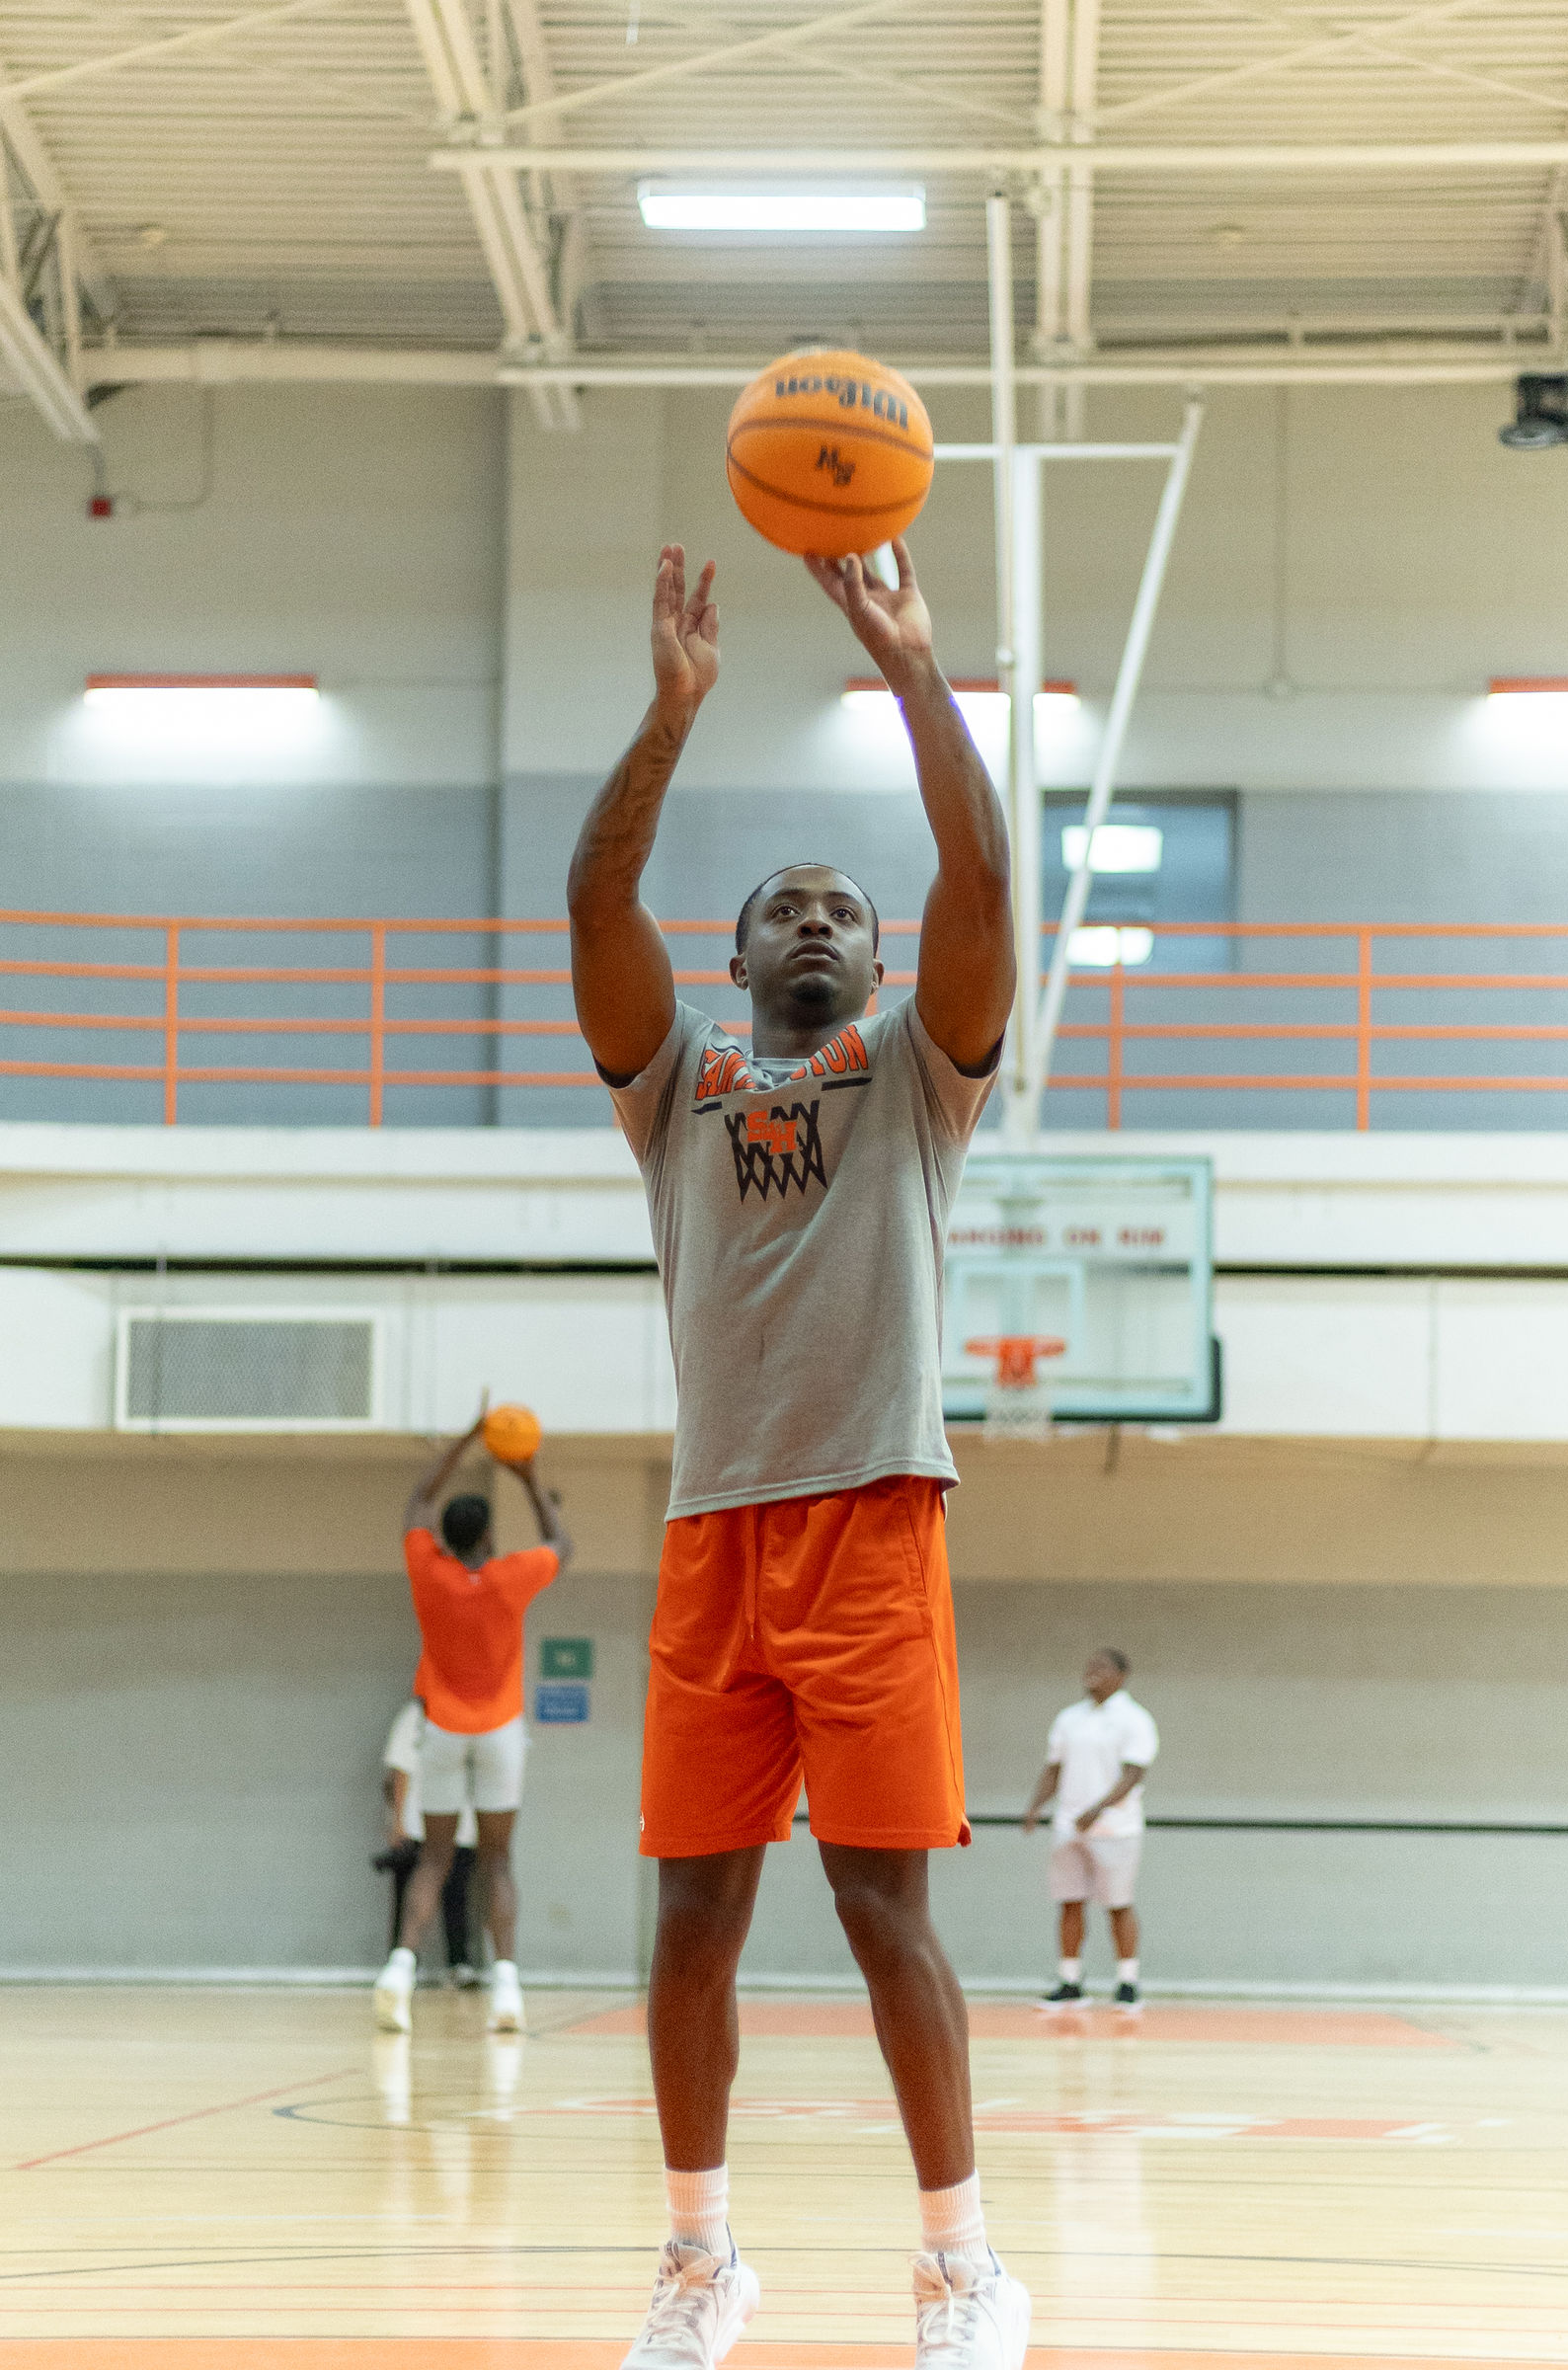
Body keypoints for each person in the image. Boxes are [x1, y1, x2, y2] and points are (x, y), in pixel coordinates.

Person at [568, 540, 1025, 2370]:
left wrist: (917, 675)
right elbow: (593, 904)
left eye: (850, 909)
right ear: (741, 952)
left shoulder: (920, 1074)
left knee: (878, 1906)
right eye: (788, 910)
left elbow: (984, 878)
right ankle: (700, 2267)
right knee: (689, 1924)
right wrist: (671, 717)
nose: (824, 925)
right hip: (713, 1540)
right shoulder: (673, 1082)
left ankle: (961, 2273)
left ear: (877, 958)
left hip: (873, 1520)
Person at [372, 1410, 572, 2036]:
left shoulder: (428, 1573)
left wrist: (462, 1442)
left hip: (443, 1729)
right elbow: (562, 1545)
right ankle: (506, 1987)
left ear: (448, 1539)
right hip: (500, 1731)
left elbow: (415, 1503)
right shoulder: (509, 1580)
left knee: (433, 1856)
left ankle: (399, 1971)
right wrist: (529, 1477)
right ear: (488, 1538)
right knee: (497, 1860)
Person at [1019, 1649, 1159, 2008]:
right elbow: (1054, 1767)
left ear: (1122, 1675)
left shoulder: (1134, 1719)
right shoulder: (1070, 1718)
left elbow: (1134, 1773)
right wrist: (1036, 1805)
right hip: (1069, 1825)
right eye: (1089, 1666)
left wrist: (1097, 1809)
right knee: (1069, 1901)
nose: (1091, 1672)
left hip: (1116, 1828)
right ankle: (1070, 1981)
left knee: (1118, 1903)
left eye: (1101, 1667)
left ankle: (1127, 1982)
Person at [375, 1698, 481, 1985]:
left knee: (456, 1898)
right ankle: (402, 1962)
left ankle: (459, 1963)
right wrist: (397, 1822)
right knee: (408, 1895)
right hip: (418, 1826)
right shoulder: (415, 1716)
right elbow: (399, 1771)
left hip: (461, 1827)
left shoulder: (475, 1713)